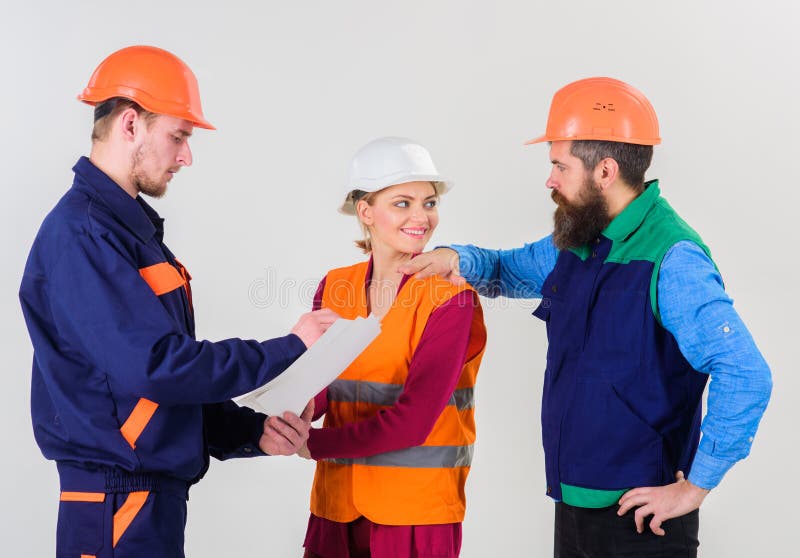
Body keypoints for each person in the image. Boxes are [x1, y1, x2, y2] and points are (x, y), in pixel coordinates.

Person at [399, 78, 772, 557]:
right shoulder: (579, 240)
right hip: (574, 502)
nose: (550, 179)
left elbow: (746, 373)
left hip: (640, 519)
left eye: (560, 165)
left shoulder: (672, 258)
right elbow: (505, 268)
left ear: (605, 171)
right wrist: (455, 256)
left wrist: (695, 487)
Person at [18, 45, 337, 558]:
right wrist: (291, 347)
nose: (186, 156)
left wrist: (252, 433)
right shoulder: (83, 235)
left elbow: (162, 385)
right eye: (179, 136)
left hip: (146, 503)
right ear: (129, 124)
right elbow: (159, 368)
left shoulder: (127, 235)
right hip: (114, 507)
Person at [297, 137, 487, 558]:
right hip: (337, 506)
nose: (422, 217)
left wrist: (311, 443)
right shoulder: (335, 286)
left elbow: (415, 421)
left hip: (414, 516)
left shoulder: (449, 298)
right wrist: (291, 410)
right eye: (403, 203)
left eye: (430, 202)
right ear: (365, 211)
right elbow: (323, 390)